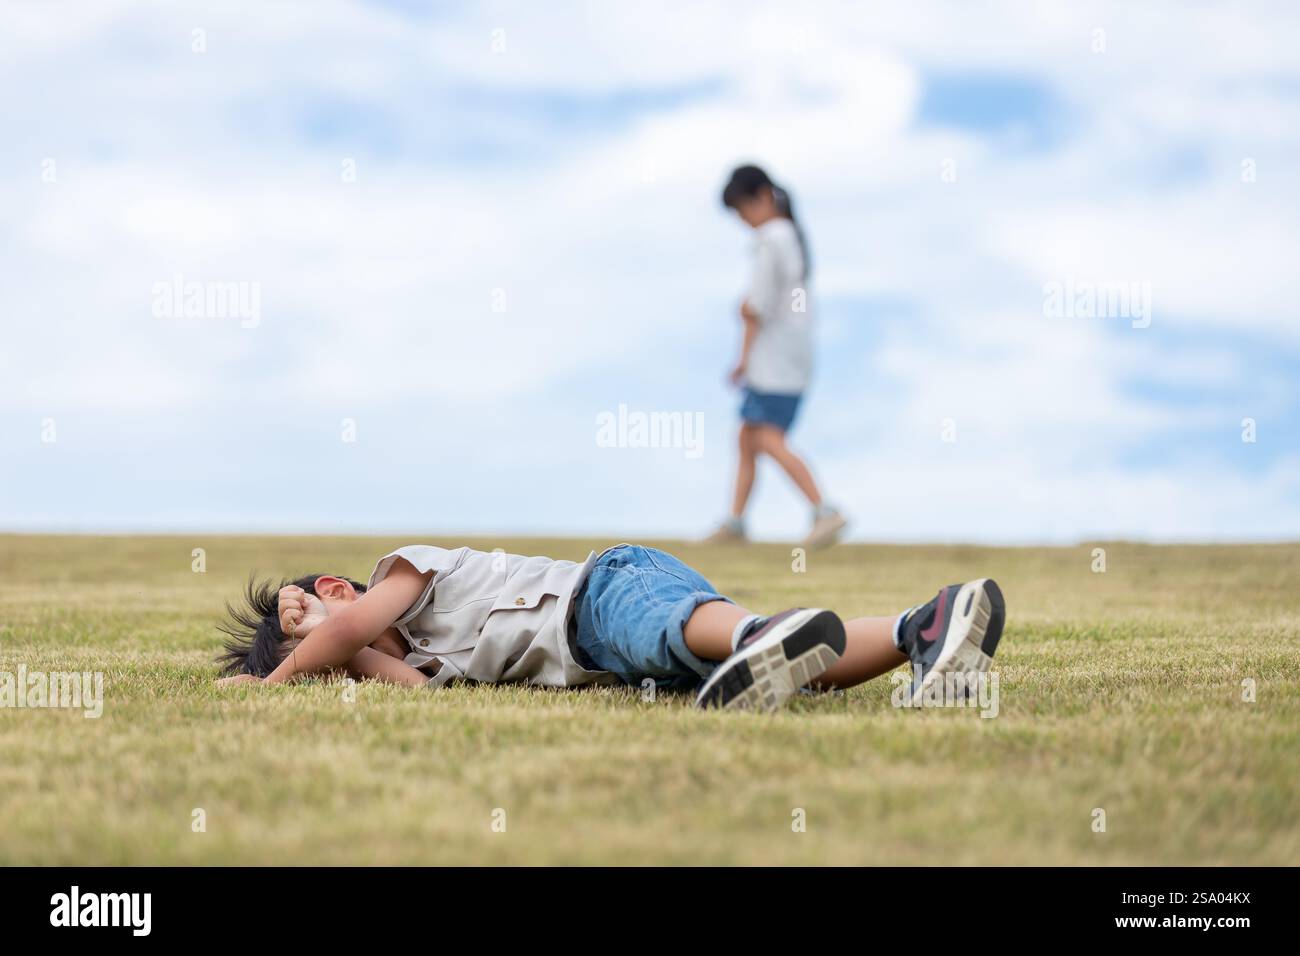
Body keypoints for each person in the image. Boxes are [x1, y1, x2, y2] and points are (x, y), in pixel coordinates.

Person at [215, 541, 1006, 714]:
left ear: (329, 589)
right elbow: (409, 686)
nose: (337, 657)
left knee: (680, 629)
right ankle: (926, 627)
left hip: (603, 596)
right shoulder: (421, 659)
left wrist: (278, 678)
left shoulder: (404, 575)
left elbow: (350, 630)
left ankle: (754, 640)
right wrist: (338, 664)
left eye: (314, 629)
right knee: (808, 663)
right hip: (621, 652)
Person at [705, 164, 847, 549]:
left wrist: (743, 356)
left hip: (773, 360)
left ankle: (824, 510)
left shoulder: (771, 238)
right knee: (748, 436)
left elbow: (757, 307)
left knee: (766, 437)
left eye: (743, 210)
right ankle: (735, 522)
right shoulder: (793, 237)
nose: (744, 221)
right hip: (794, 356)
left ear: (763, 197)